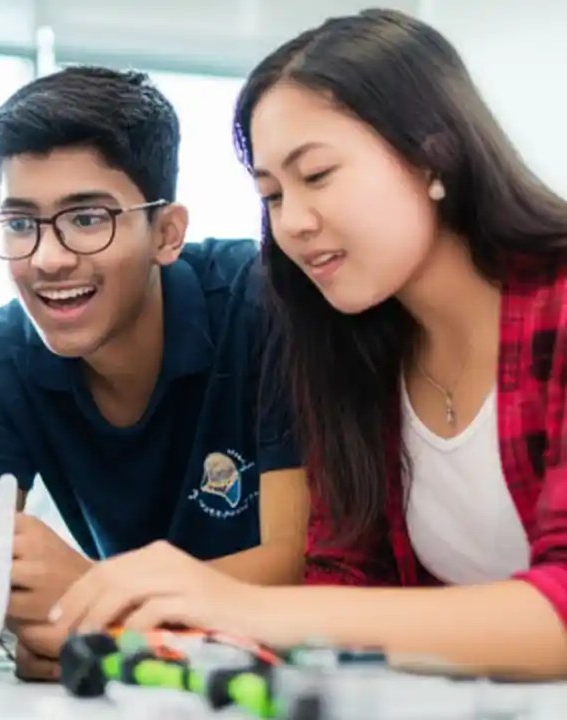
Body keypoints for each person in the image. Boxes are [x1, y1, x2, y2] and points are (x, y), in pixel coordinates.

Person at [51, 9, 567, 679]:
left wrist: (238, 606)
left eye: (317, 175)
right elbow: (349, 579)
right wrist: (156, 638)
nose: (293, 223)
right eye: (270, 194)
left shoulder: (554, 305)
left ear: (434, 153)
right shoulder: (353, 351)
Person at [0, 66, 305, 680]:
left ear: (166, 233)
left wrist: (97, 600)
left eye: (88, 219)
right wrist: (59, 616)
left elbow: (297, 562)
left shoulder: (261, 307)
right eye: (21, 224)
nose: (50, 259)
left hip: (286, 671)